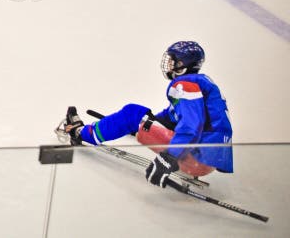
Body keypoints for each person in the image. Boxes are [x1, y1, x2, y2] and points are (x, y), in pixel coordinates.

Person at [58, 41, 233, 187]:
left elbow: (190, 125)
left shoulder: (184, 85)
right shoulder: (201, 82)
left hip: (194, 159)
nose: (169, 65)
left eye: (174, 62)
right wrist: (145, 125)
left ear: (183, 66)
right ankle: (130, 125)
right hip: (207, 159)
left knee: (131, 113)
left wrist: (169, 157)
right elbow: (175, 116)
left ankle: (83, 133)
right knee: (137, 119)